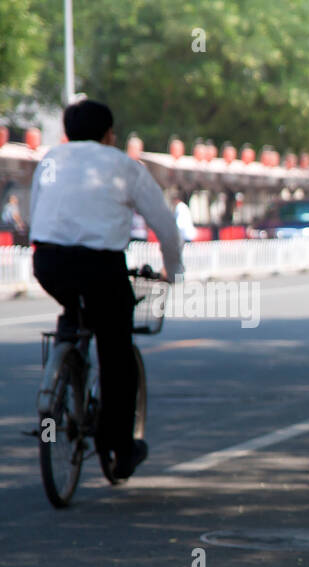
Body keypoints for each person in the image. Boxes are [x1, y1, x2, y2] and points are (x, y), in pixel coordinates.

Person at [29, 99, 183, 481]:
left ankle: (66, 359)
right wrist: (173, 269)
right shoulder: (124, 166)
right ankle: (119, 446)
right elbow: (164, 223)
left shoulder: (49, 161)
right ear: (108, 134)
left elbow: (37, 216)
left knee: (75, 307)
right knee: (116, 353)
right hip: (100, 268)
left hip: (48, 263)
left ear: (66, 132)